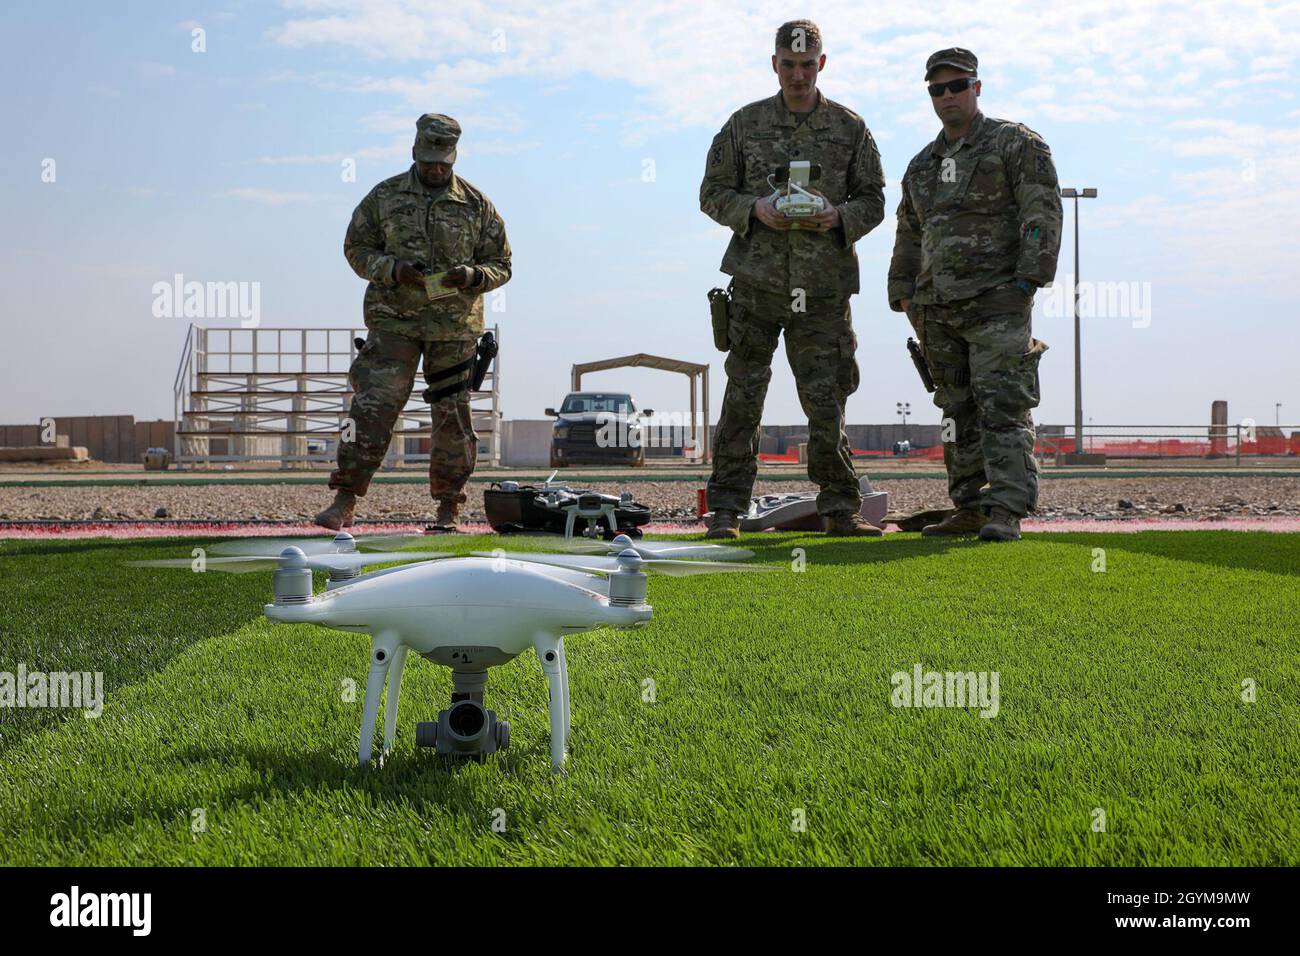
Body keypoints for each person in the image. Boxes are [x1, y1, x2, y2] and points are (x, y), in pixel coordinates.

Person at [700, 19, 886, 540]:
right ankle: (728, 511)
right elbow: (711, 192)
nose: (798, 75)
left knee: (826, 399)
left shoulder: (850, 129)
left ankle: (840, 509)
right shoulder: (745, 123)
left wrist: (837, 216)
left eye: (807, 65)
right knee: (743, 396)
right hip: (757, 285)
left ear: (821, 64)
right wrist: (755, 208)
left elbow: (875, 200)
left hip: (824, 288)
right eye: (789, 64)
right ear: (775, 64)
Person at [887, 48, 1061, 542]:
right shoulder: (922, 165)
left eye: (957, 85)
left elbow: (1040, 212)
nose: (948, 97)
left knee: (1002, 404)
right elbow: (908, 231)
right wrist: (903, 294)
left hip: (996, 301)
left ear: (977, 87)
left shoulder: (1014, 143)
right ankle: (967, 505)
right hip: (936, 308)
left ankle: (1005, 509)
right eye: (937, 90)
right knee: (956, 409)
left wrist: (1028, 281)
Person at [315, 114, 511, 531]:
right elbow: (356, 248)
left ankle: (448, 507)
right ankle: (345, 499)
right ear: (415, 153)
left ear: (454, 157)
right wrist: (390, 268)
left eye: (443, 162)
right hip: (393, 324)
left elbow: (502, 264)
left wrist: (473, 276)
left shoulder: (476, 205)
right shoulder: (384, 197)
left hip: (453, 328)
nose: (436, 169)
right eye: (428, 161)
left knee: (452, 417)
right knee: (372, 408)